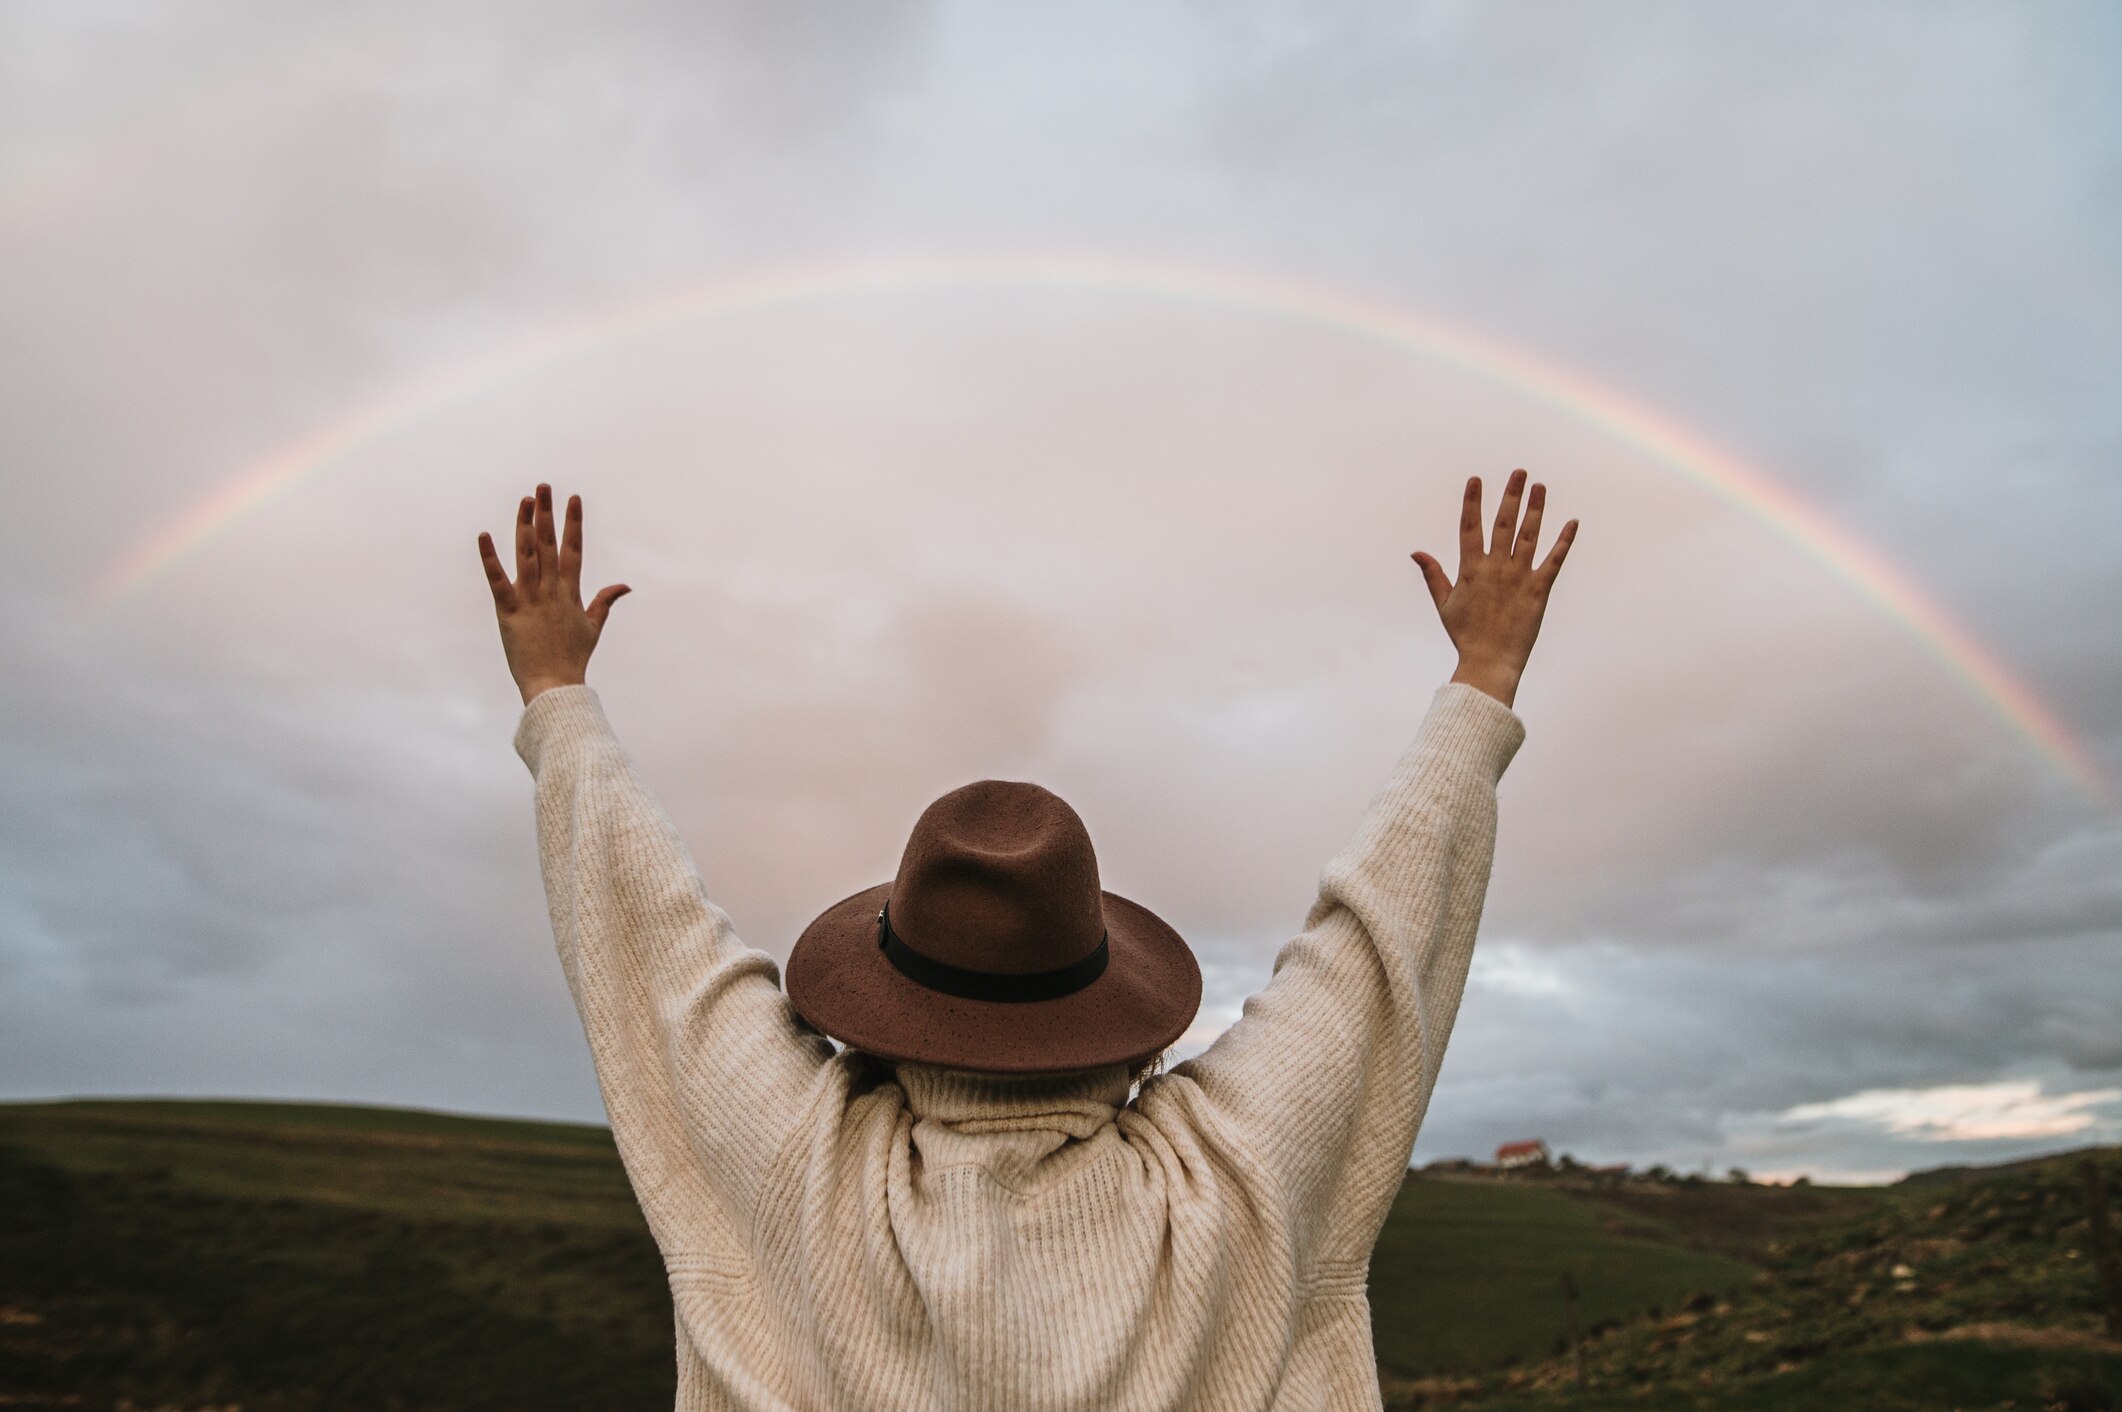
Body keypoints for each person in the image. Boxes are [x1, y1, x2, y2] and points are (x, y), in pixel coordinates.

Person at [477, 472, 1576, 1411]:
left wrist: (558, 696)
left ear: (880, 1011)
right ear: (1118, 1017)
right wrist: (1480, 684)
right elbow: (1374, 943)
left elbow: (653, 942)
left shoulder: (797, 1167)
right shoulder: (1235, 1176)